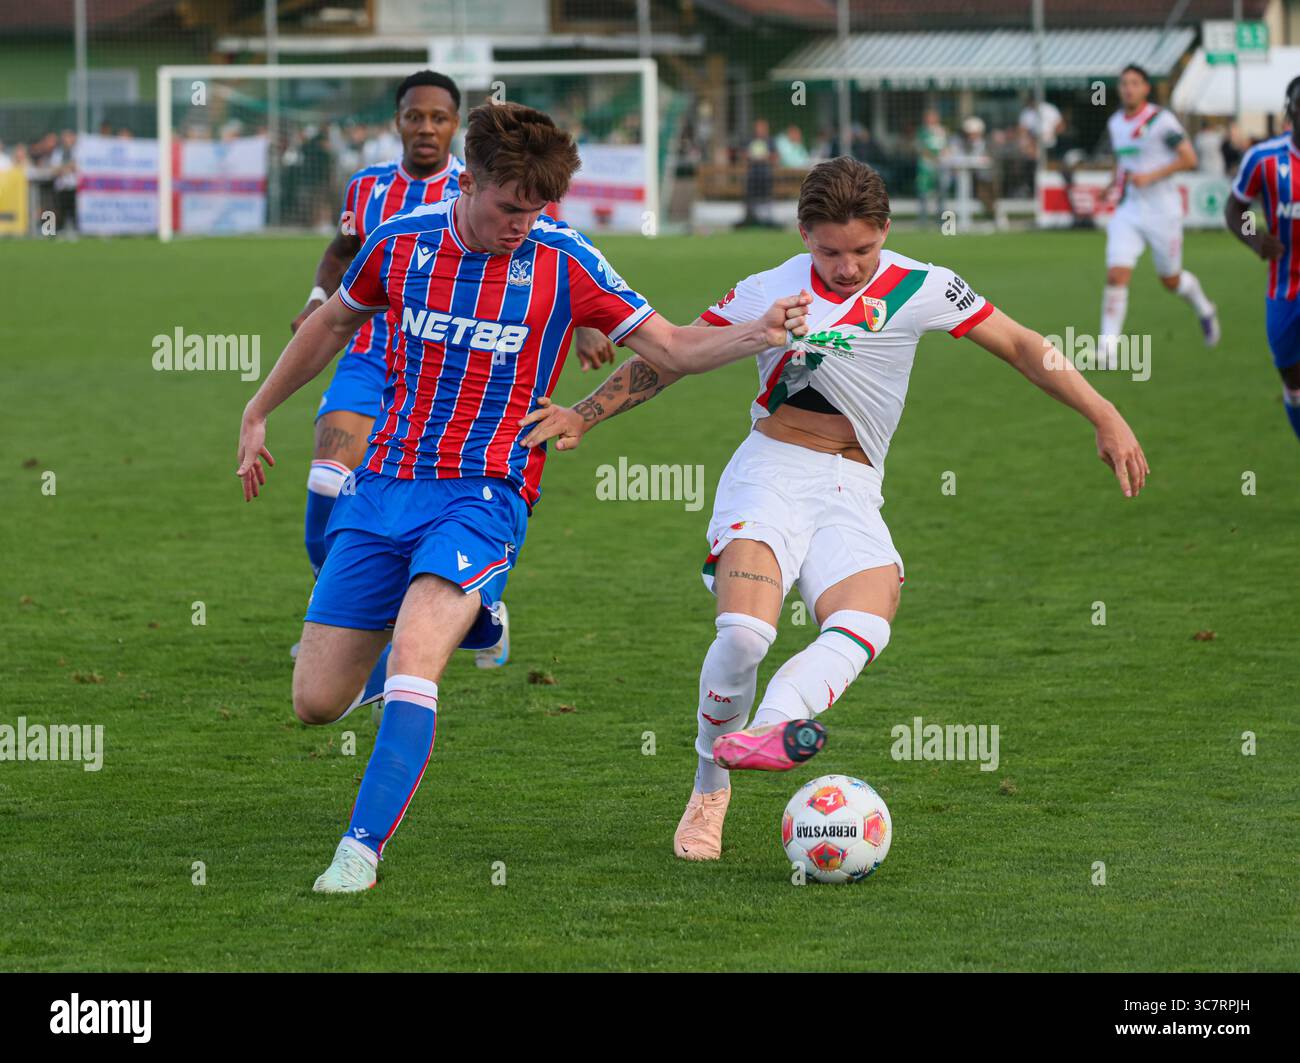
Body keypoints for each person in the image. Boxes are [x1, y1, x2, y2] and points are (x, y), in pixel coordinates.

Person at [235, 101, 812, 892]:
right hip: (384, 485)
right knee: (316, 700)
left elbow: (672, 345)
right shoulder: (400, 243)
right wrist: (259, 408)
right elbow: (333, 324)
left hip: (485, 489)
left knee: (413, 661)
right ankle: (482, 616)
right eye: (510, 206)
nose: (523, 223)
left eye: (537, 208)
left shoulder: (565, 260)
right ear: (468, 183)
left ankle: (358, 851)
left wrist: (757, 334)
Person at [519, 156, 1148, 862]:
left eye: (862, 250)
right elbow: (673, 354)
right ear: (803, 234)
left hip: (854, 488)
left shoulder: (923, 284)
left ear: (884, 231)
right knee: (744, 635)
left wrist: (1106, 413)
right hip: (770, 473)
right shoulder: (768, 288)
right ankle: (708, 787)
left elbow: (1026, 348)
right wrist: (584, 413)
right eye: (828, 251)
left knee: (865, 619)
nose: (846, 268)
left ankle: (776, 725)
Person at [289, 71, 613, 680]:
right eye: (416, 116)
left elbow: (556, 271)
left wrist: (590, 323)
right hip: (371, 353)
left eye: (440, 117)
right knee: (329, 482)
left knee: (423, 508)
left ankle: (453, 605)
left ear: (453, 128)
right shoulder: (369, 190)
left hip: (457, 371)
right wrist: (316, 295)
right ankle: (342, 613)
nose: (426, 128)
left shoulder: (497, 189)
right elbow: (341, 251)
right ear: (399, 121)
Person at [1099, 64, 1219, 367]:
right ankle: (1108, 348)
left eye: (1135, 83)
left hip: (1163, 212)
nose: (1128, 88)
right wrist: (1110, 185)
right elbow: (1124, 163)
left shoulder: (1160, 121)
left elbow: (1188, 158)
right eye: (1124, 83)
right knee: (1116, 274)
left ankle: (1204, 308)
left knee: (1170, 280)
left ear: (1145, 88)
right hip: (1129, 210)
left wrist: (1152, 175)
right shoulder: (1116, 123)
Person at [1225, 76, 1300, 444]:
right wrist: (1255, 239)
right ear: (1290, 111)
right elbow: (1234, 206)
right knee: (1292, 379)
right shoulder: (1264, 159)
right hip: (1285, 287)